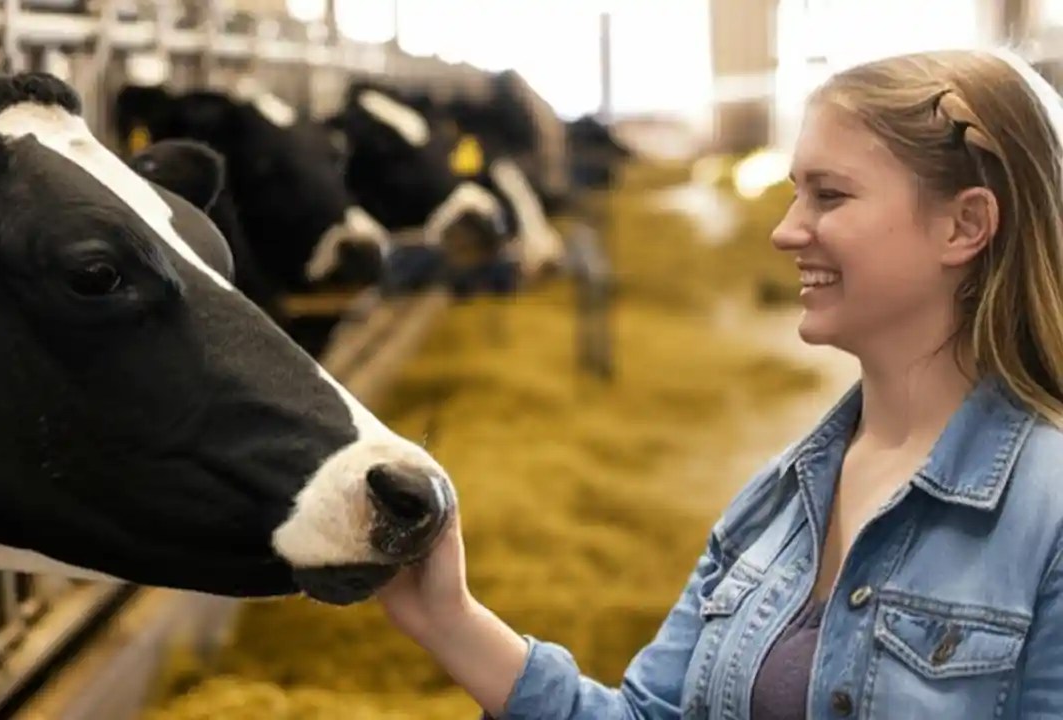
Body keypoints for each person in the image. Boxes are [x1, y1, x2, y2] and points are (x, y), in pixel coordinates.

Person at [375, 47, 1063, 719]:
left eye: (830, 196)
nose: (786, 230)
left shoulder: (1048, 516)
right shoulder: (775, 500)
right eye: (796, 193)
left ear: (964, 225)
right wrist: (450, 618)